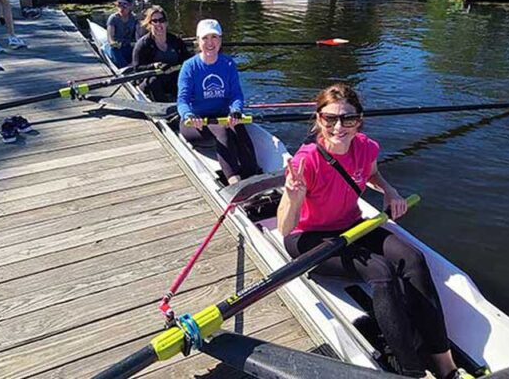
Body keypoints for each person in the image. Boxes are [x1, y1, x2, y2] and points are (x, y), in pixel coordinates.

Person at [277, 83, 470, 379]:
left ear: (359, 120)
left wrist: (390, 192)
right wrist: (293, 194)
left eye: (347, 119)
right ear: (319, 119)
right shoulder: (306, 160)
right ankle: (409, 369)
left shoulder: (366, 147)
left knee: (413, 258)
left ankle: (445, 364)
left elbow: (372, 174)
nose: (338, 126)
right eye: (330, 118)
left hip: (351, 224)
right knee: (381, 271)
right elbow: (285, 228)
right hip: (309, 238)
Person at [177, 19, 259, 185]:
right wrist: (189, 115)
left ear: (220, 40)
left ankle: (253, 175)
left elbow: (236, 94)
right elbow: (182, 100)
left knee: (239, 128)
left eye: (214, 37)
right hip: (194, 123)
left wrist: (236, 110)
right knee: (223, 130)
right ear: (198, 41)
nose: (210, 43)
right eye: (205, 38)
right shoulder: (189, 67)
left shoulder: (228, 64)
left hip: (220, 115)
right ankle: (234, 181)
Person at [131, 6, 190, 101]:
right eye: (154, 21)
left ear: (166, 23)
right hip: (151, 80)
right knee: (154, 81)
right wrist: (155, 65)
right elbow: (137, 68)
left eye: (161, 20)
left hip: (171, 77)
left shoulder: (175, 41)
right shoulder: (143, 44)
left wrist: (174, 67)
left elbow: (187, 60)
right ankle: (162, 109)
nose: (159, 24)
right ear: (150, 24)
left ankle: (183, 103)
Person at [104, 0, 140, 67]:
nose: (121, 8)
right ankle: (126, 69)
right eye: (119, 5)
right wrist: (114, 43)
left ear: (130, 6)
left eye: (124, 5)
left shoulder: (135, 18)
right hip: (117, 48)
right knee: (114, 50)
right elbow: (110, 38)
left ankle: (134, 65)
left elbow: (138, 37)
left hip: (128, 47)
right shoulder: (113, 18)